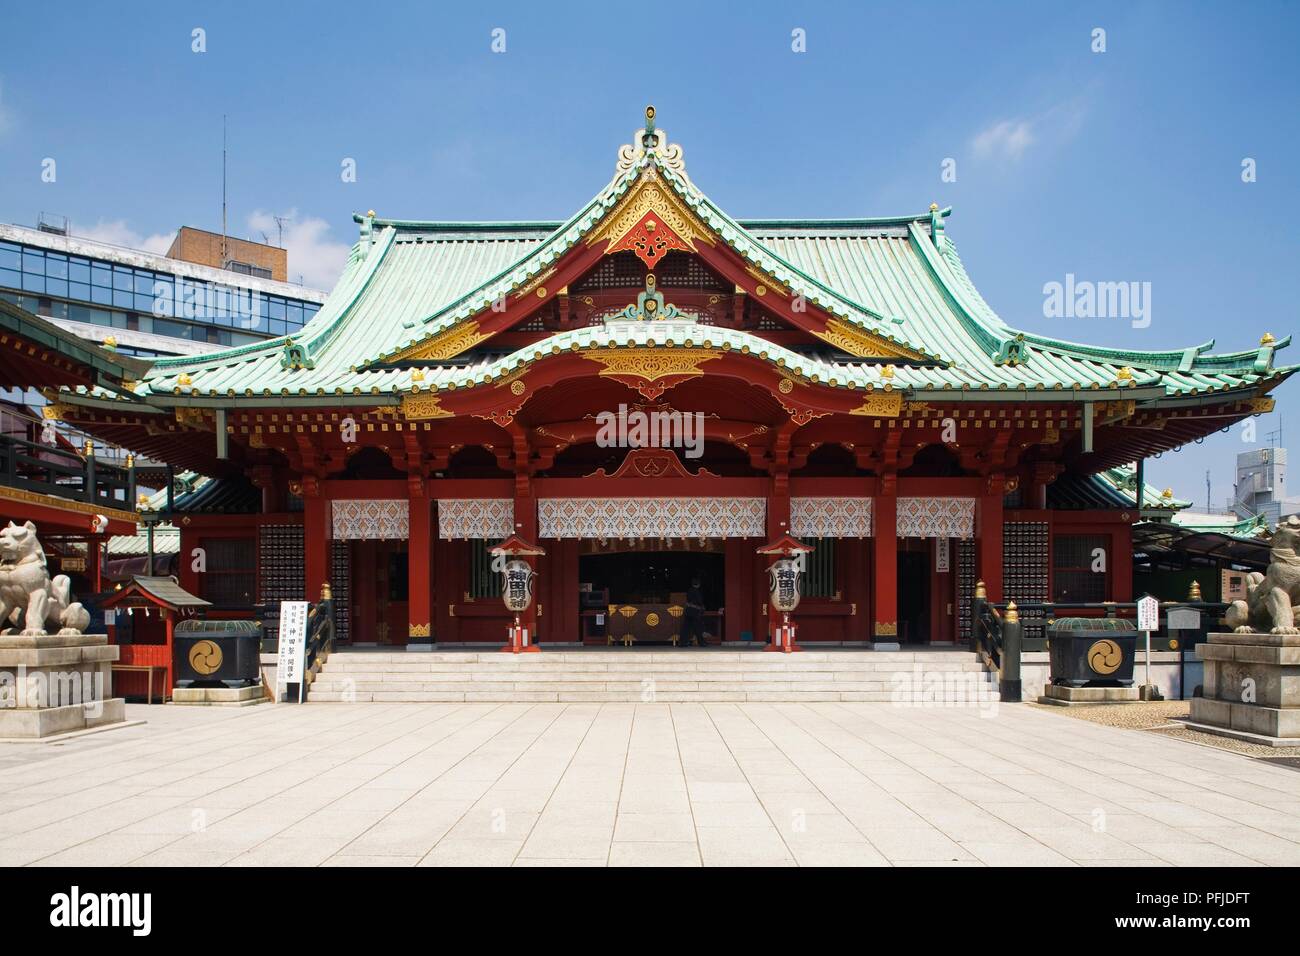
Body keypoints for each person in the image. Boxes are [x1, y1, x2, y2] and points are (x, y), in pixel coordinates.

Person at [682, 576, 706, 647]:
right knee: (698, 627)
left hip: (688, 611)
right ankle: (701, 643)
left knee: (686, 627)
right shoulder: (697, 591)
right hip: (694, 611)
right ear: (698, 584)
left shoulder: (689, 590)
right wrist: (702, 607)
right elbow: (699, 601)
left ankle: (683, 643)